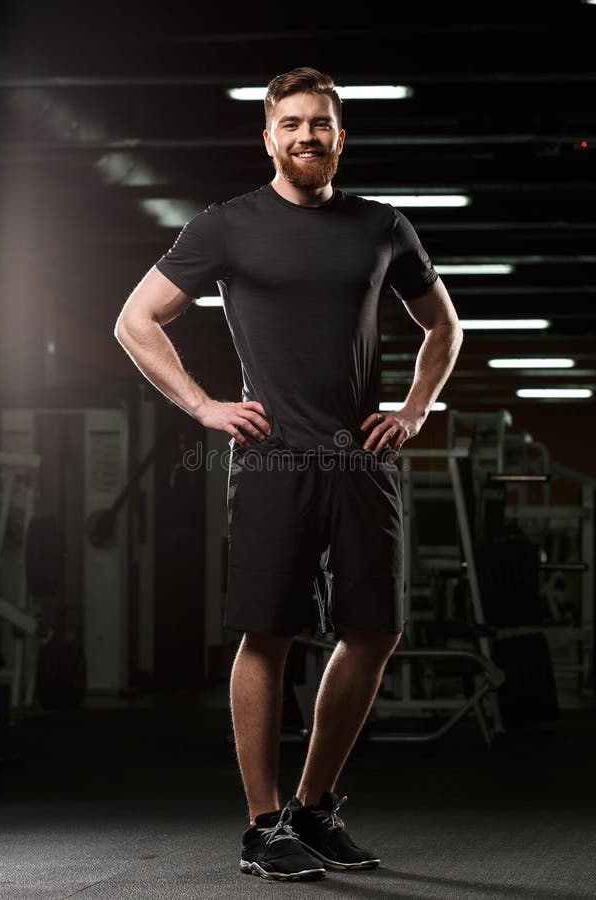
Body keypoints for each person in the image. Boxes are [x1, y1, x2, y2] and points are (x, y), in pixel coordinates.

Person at [115, 66, 463, 883]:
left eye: (322, 124)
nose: (308, 135)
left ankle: (313, 807)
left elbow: (442, 328)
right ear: (269, 136)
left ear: (343, 136)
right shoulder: (227, 226)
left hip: (360, 459)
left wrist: (413, 409)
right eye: (293, 123)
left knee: (374, 632)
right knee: (267, 632)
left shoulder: (383, 228)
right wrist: (201, 405)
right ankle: (262, 825)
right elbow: (136, 319)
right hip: (272, 460)